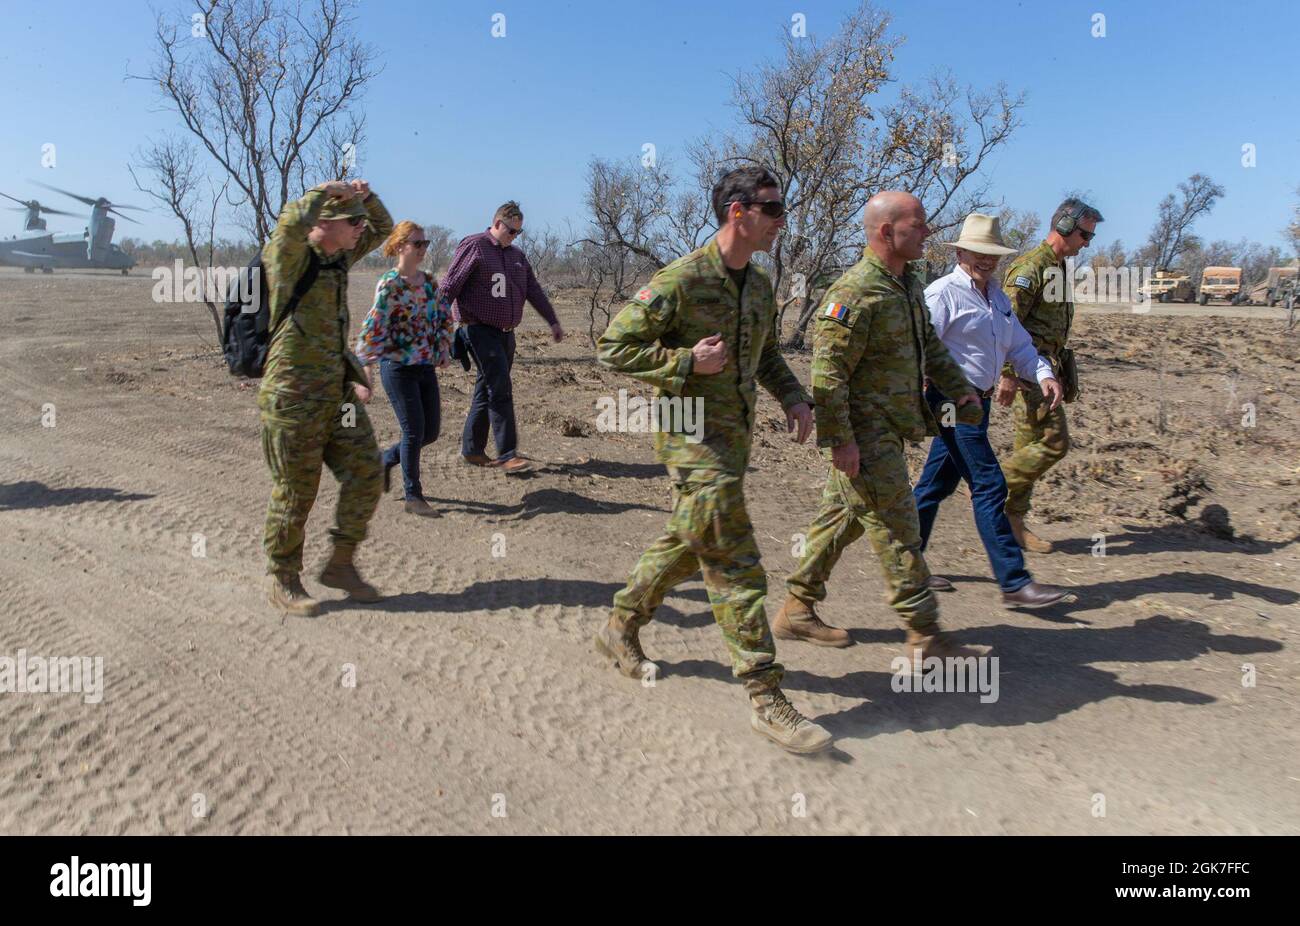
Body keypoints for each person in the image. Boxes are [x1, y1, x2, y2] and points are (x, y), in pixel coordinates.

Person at [595, 166, 831, 755]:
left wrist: (796, 397)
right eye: (773, 209)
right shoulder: (681, 279)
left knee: (690, 538)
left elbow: (768, 353)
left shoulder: (758, 283)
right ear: (738, 212)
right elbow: (612, 345)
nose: (782, 220)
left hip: (733, 438)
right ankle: (763, 692)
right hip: (689, 437)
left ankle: (620, 623)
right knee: (733, 557)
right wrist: (682, 364)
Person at [773, 192, 985, 659]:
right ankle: (925, 634)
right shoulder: (854, 293)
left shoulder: (906, 284)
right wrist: (841, 443)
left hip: (894, 426)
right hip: (866, 436)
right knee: (899, 528)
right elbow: (827, 377)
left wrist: (958, 387)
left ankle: (796, 608)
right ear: (887, 232)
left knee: (842, 520)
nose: (928, 231)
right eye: (919, 224)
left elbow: (929, 344)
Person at [912, 213, 1070, 608]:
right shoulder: (943, 293)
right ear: (961, 251)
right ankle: (1015, 583)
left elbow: (1020, 346)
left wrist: (1044, 373)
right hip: (949, 402)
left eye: (992, 254)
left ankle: (906, 567)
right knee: (989, 485)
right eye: (978, 253)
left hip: (977, 404)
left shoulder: (997, 297)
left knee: (936, 485)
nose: (986, 260)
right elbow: (918, 348)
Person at [259, 179, 393, 617]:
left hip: (336, 398)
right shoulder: (291, 258)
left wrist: (364, 199)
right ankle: (283, 577)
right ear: (325, 222)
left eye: (359, 222)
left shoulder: (339, 258)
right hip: (292, 397)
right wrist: (324, 189)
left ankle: (340, 563)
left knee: (368, 472)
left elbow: (384, 227)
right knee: (297, 492)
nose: (361, 228)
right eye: (352, 221)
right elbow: (288, 226)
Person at [998, 198, 1104, 553]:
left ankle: (1013, 522)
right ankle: (994, 485)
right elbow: (1006, 323)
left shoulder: (1057, 268)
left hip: (1046, 370)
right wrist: (1010, 373)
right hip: (1030, 370)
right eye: (1084, 235)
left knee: (1029, 447)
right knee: (1056, 443)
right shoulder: (1032, 267)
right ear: (1063, 227)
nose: (1087, 242)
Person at [438, 201, 564, 475]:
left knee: (486, 389)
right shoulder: (475, 246)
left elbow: (534, 290)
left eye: (518, 233)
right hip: (479, 329)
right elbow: (449, 286)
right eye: (510, 231)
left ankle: (471, 449)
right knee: (500, 388)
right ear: (497, 224)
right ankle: (507, 454)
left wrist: (552, 320)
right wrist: (436, 326)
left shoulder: (517, 256)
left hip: (506, 335)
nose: (514, 236)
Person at [356, 220, 453, 518]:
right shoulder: (390, 284)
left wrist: (444, 347)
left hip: (424, 366)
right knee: (413, 430)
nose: (423, 249)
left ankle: (384, 460)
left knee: (430, 432)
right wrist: (364, 373)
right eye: (418, 243)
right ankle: (413, 496)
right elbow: (373, 329)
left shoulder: (428, 283)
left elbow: (444, 318)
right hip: (396, 367)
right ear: (400, 247)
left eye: (425, 244)